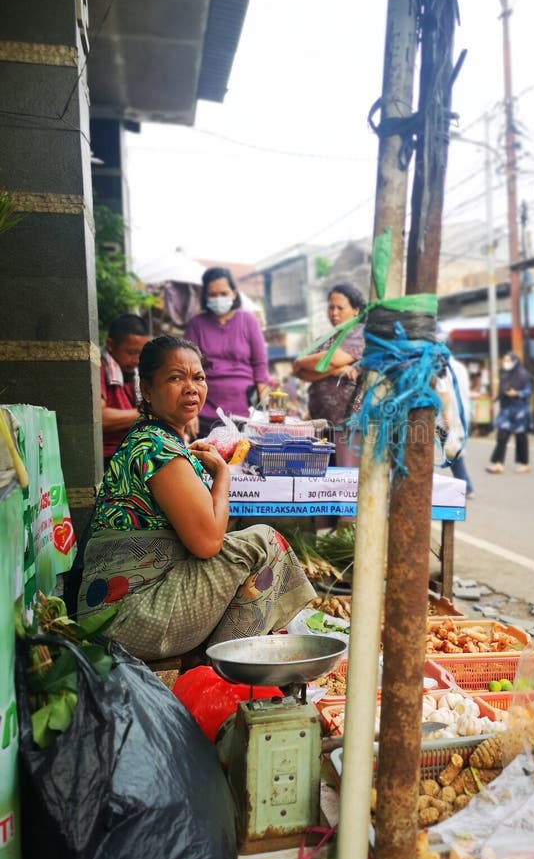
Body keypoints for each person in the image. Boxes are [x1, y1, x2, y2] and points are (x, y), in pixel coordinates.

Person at [77, 335, 315, 661]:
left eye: (198, 377)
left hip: (124, 609)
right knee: (263, 543)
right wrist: (223, 475)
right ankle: (220, 671)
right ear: (146, 389)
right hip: (128, 617)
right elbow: (207, 544)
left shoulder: (156, 438)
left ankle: (217, 664)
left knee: (246, 552)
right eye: (176, 378)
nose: (191, 387)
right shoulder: (156, 448)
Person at [185, 266, 270, 438]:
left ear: (234, 294)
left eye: (223, 293)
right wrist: (189, 414)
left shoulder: (249, 321)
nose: (218, 298)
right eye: (213, 294)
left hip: (246, 413)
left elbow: (260, 366)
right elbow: (188, 370)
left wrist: (264, 411)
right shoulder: (196, 325)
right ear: (205, 296)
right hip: (206, 412)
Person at [292, 282, 366, 467]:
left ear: (356, 310)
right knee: (326, 479)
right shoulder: (326, 338)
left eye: (340, 308)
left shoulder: (359, 334)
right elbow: (298, 372)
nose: (334, 313)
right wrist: (334, 371)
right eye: (331, 307)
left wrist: (303, 361)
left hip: (349, 426)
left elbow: (331, 359)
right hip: (323, 424)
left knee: (346, 480)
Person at [100, 313, 150, 469]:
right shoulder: (99, 368)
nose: (136, 360)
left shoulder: (137, 372)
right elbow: (99, 417)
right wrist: (147, 414)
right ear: (110, 345)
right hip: (109, 458)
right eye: (131, 352)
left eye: (140, 354)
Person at [486, 352, 533, 474]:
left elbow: (529, 391)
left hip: (520, 410)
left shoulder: (524, 375)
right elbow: (502, 391)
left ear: (515, 361)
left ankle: (524, 464)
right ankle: (498, 464)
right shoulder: (505, 375)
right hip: (506, 409)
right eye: (505, 360)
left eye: (508, 360)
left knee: (521, 437)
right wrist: (496, 398)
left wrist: (517, 393)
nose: (505, 363)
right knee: (502, 435)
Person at [437, 355, 475, 498]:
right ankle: (466, 487)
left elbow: (443, 394)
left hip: (449, 416)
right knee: (454, 451)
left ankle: (467, 487)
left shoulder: (441, 367)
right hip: (462, 413)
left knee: (453, 452)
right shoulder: (460, 367)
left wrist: (446, 416)